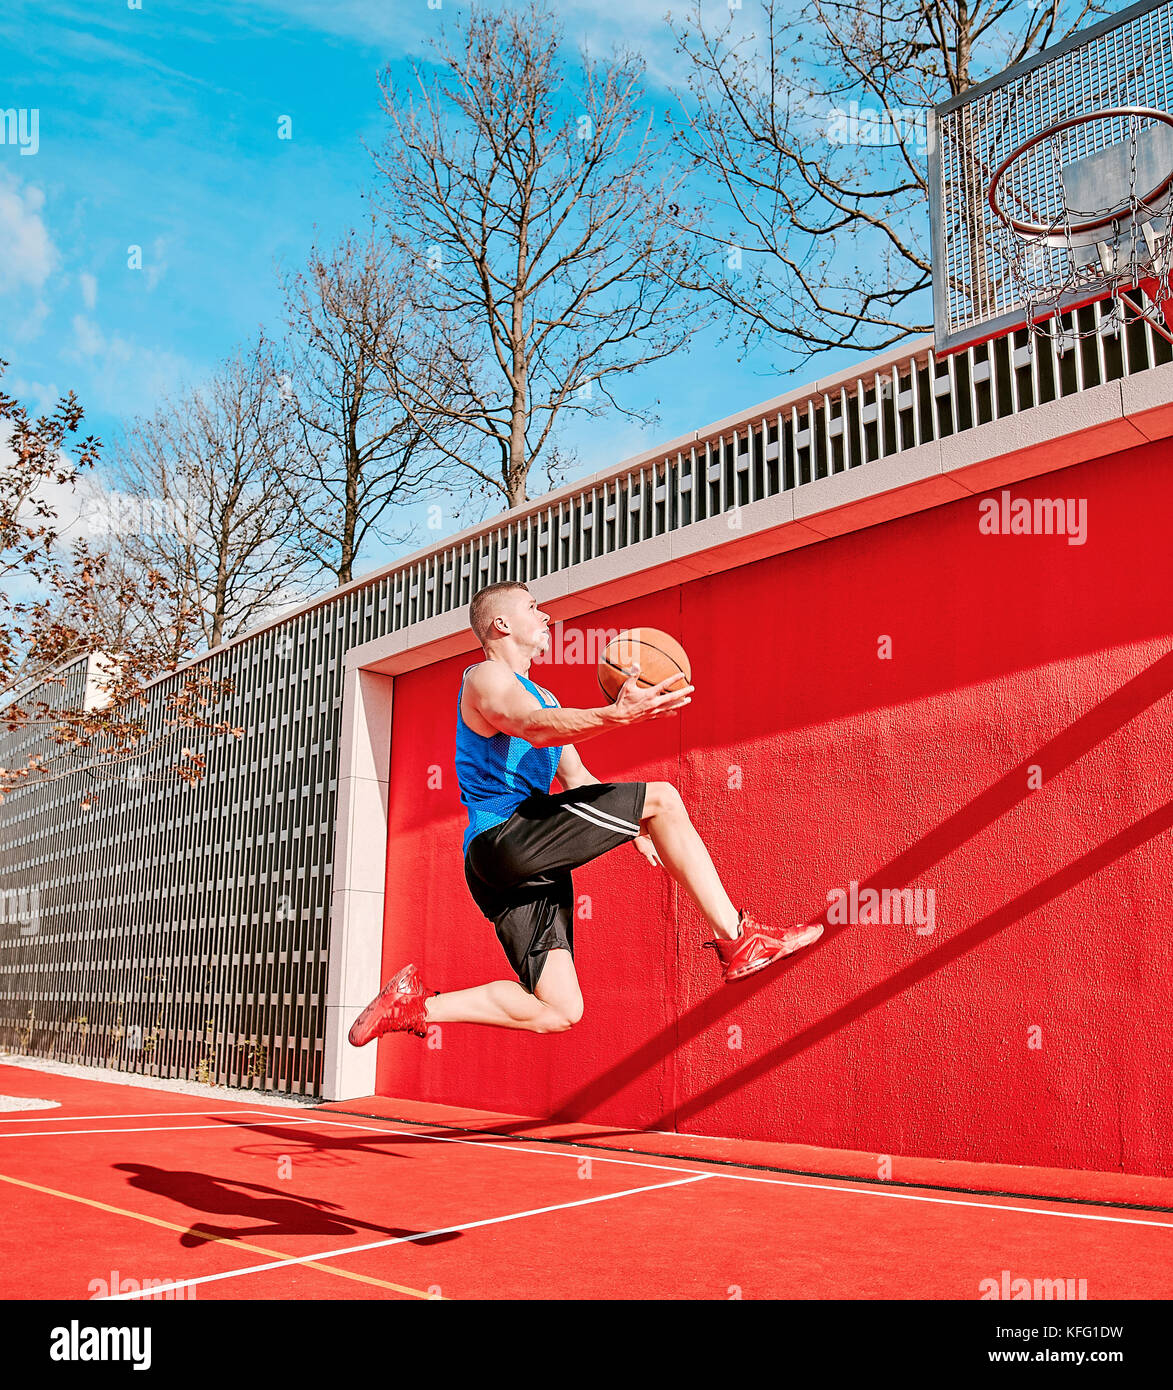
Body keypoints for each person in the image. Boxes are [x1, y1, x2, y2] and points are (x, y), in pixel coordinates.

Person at [348, 581, 822, 1045]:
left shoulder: (547, 697)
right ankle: (739, 939)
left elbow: (575, 777)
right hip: (506, 836)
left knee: (559, 1010)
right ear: (500, 623)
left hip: (513, 866)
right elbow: (530, 727)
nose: (545, 616)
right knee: (662, 796)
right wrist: (614, 718)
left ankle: (416, 1005)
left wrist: (639, 830)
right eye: (533, 607)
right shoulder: (485, 677)